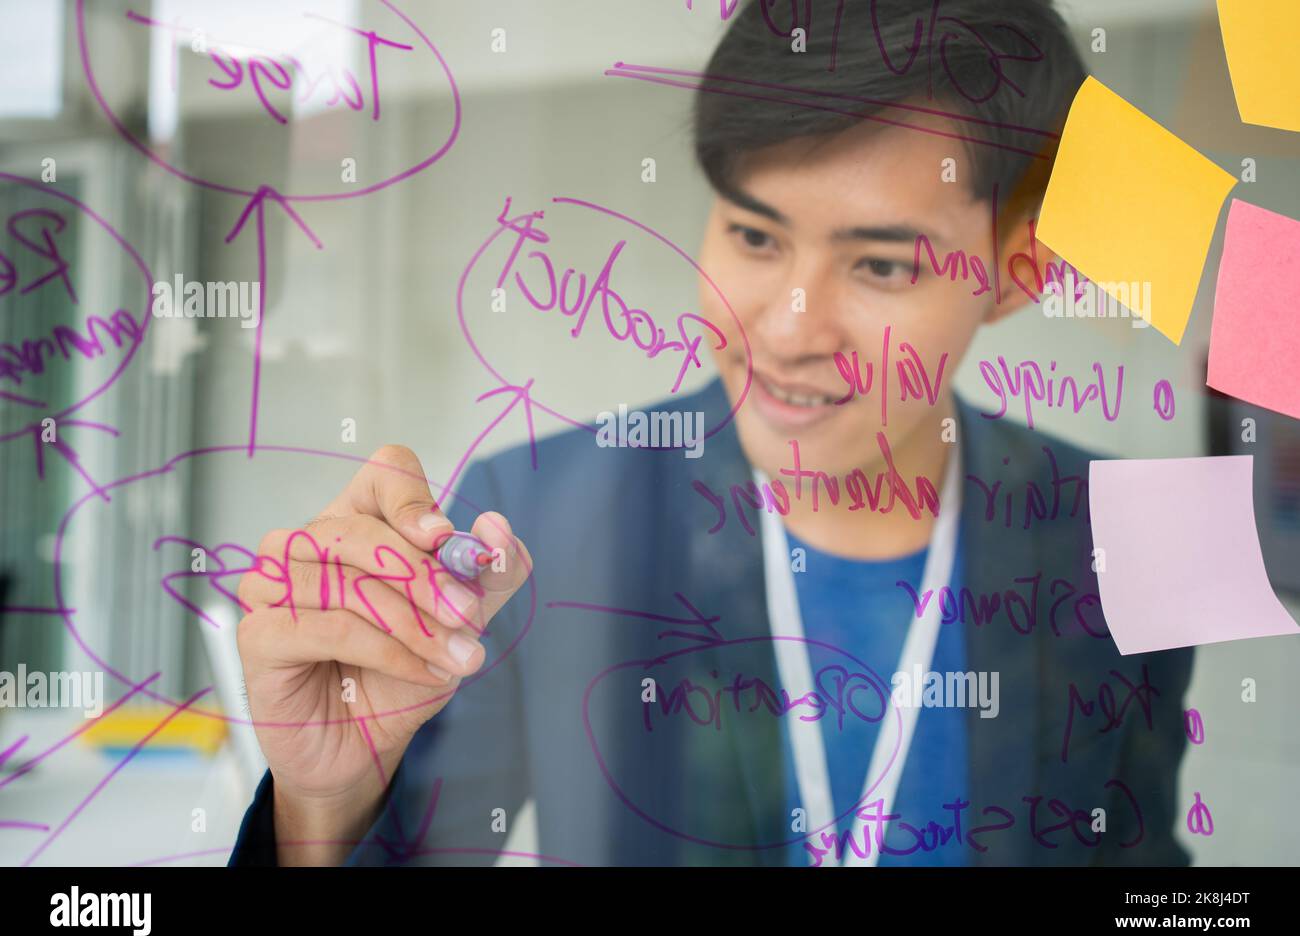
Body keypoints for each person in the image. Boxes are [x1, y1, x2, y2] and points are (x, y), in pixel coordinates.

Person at [229, 0, 1193, 867]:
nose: (788, 332)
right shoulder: (538, 521)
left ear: (1019, 272)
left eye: (882, 267)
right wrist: (324, 807)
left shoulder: (1121, 543)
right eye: (755, 238)